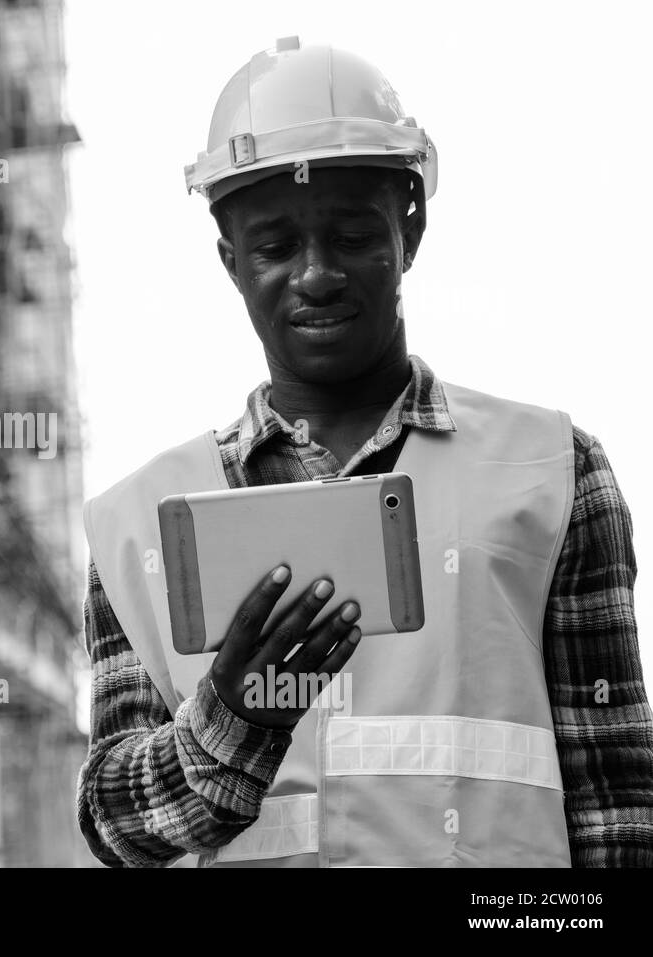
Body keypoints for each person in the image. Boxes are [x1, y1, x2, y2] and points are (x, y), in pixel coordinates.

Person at [76, 37, 653, 867]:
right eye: (275, 247)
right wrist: (236, 716)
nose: (315, 275)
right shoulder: (138, 528)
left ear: (408, 231)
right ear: (231, 261)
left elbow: (618, 810)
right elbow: (115, 829)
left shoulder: (554, 473)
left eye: (351, 235)